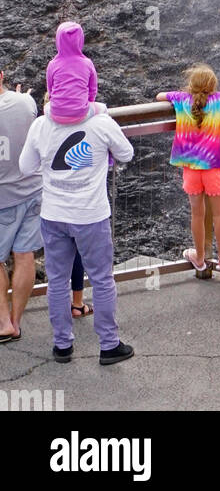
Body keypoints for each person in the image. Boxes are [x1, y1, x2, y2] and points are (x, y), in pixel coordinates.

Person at [19, 93, 134, 363]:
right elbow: (126, 153)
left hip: (53, 213)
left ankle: (62, 346)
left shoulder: (41, 125)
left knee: (57, 281)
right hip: (90, 214)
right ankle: (108, 345)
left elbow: (26, 167)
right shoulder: (101, 122)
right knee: (102, 279)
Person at [155, 66, 220, 273]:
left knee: (197, 214)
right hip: (213, 167)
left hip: (191, 168)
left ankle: (200, 258)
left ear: (190, 85)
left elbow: (159, 96)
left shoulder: (181, 99)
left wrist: (182, 93)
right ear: (212, 87)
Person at [0, 70, 42, 343]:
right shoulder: (26, 102)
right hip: (34, 191)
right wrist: (22, 97)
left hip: (3, 198)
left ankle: (4, 323)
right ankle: (16, 320)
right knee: (24, 255)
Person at [46, 21, 98, 123]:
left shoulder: (52, 64)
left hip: (56, 115)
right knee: (102, 108)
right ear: (80, 40)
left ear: (58, 40)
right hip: (81, 115)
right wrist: (88, 101)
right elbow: (93, 91)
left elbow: (50, 91)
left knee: (47, 106)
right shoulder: (87, 63)